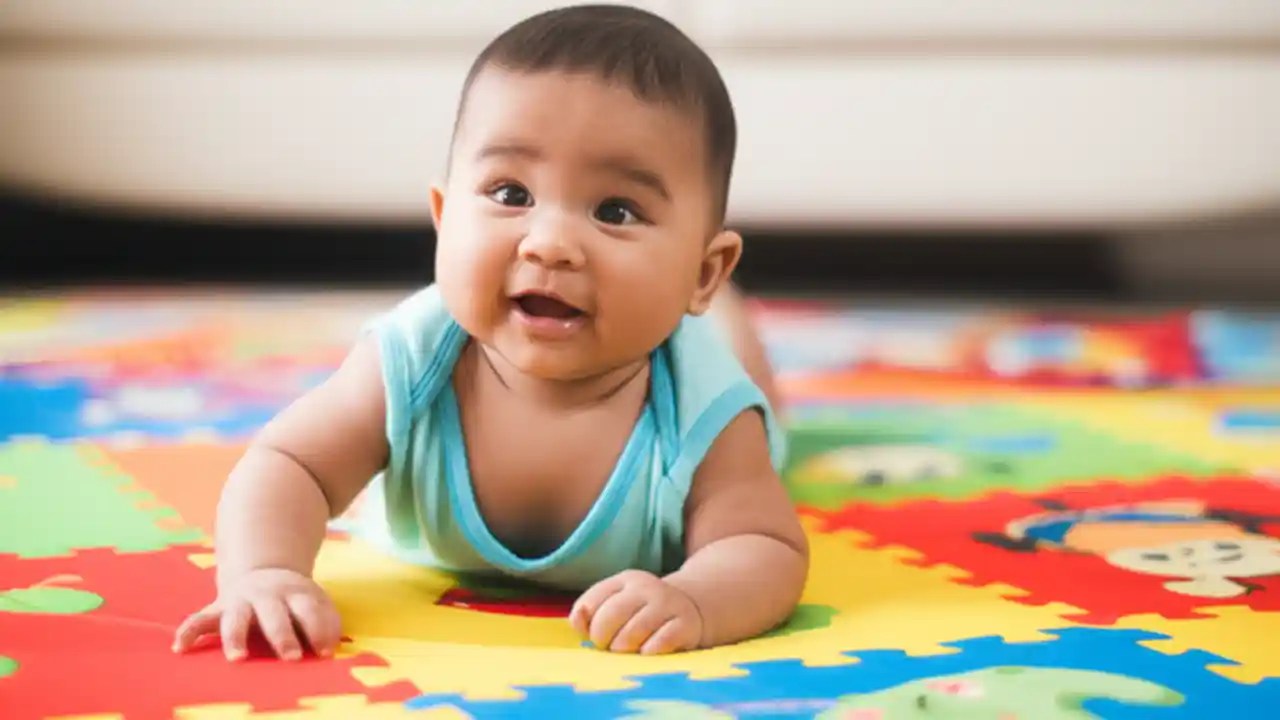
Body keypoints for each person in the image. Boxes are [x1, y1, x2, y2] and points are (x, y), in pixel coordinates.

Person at [172, 3, 807, 661]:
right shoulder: (412, 358)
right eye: (510, 194)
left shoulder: (707, 409)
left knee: (750, 378)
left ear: (702, 271)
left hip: (701, 353)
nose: (551, 243)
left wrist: (698, 599)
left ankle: (724, 309)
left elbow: (763, 546)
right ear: (445, 219)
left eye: (615, 210)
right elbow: (289, 464)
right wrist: (264, 572)